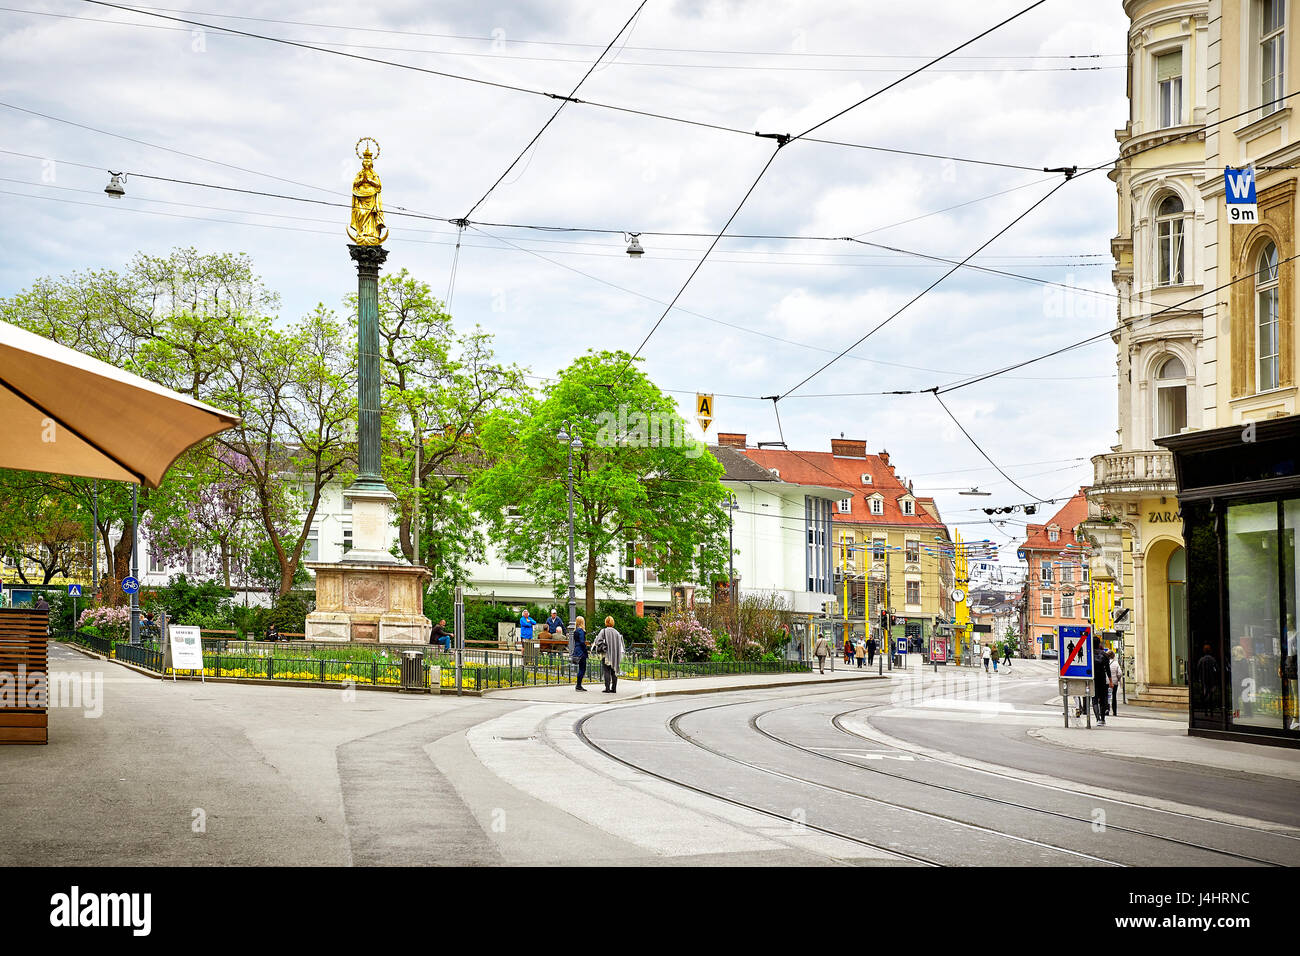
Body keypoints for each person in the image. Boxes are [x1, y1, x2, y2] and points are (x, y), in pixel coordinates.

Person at [592, 616, 625, 693]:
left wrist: (604, 645)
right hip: (615, 655)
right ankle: (614, 688)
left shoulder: (603, 631)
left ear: (606, 622)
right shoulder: (617, 633)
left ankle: (607, 688)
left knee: (606, 671)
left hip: (606, 654)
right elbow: (620, 645)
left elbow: (597, 642)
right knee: (614, 671)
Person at [1093, 639, 1109, 725]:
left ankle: (1097, 719)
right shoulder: (1105, 655)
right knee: (1102, 699)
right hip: (1102, 678)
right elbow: (1108, 669)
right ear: (1099, 644)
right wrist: (1110, 680)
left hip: (1093, 679)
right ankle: (1102, 719)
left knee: (1094, 699)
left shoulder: (1089, 654)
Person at [571, 615, 588, 692]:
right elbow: (582, 641)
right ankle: (578, 685)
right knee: (582, 668)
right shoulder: (581, 631)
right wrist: (585, 648)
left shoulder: (575, 631)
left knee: (580, 668)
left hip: (577, 649)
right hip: (581, 651)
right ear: (582, 622)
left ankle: (579, 685)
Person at [1108, 650, 1121, 716]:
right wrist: (1117, 679)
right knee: (1114, 696)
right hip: (1114, 682)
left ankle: (1106, 710)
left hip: (1106, 682)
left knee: (1106, 696)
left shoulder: (1105, 662)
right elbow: (1120, 673)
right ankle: (1114, 712)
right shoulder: (1116, 663)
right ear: (1114, 656)